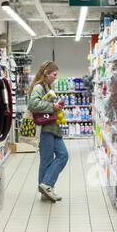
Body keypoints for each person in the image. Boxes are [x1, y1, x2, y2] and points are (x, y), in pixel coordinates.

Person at [27, 60, 68, 202]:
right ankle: (46, 189)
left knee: (63, 155)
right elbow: (33, 104)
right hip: (45, 129)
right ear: (46, 74)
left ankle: (46, 185)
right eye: (54, 74)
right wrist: (52, 106)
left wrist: (56, 106)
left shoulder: (47, 86)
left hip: (53, 127)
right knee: (46, 160)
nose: (55, 77)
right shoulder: (38, 87)